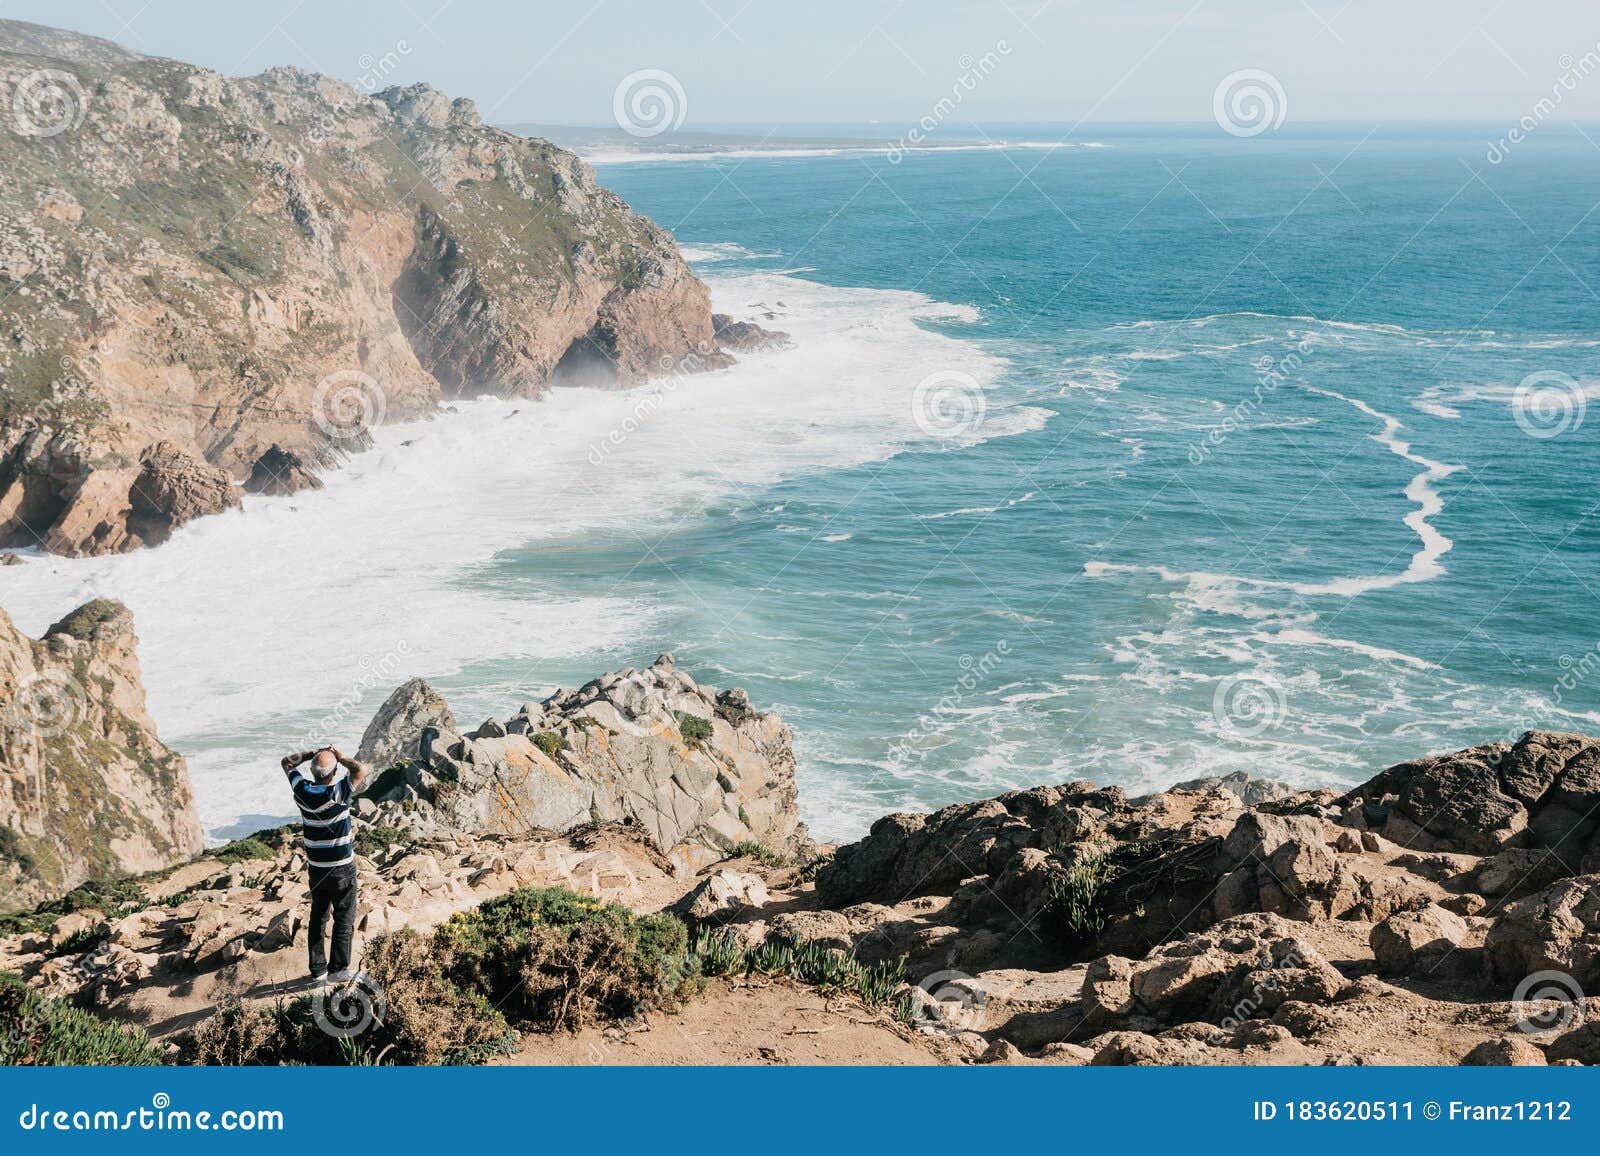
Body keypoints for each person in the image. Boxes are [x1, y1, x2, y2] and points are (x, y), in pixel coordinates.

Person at [280, 746, 368, 983]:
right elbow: (360, 769)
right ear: (334, 772)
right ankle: (338, 970)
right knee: (344, 917)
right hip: (342, 868)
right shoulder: (338, 793)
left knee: (318, 916)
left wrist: (311, 754)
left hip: (316, 868)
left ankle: (318, 970)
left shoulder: (302, 790)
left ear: (311, 771)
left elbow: (286, 763)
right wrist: (339, 757)